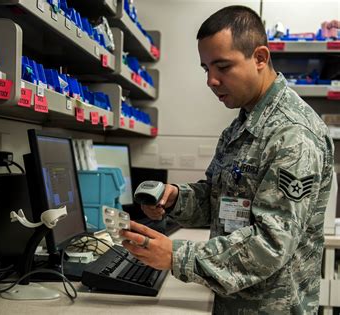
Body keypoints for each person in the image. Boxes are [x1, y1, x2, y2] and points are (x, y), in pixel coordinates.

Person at [121, 5, 334, 314]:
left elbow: (271, 245)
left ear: (260, 58)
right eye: (206, 69)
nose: (211, 80)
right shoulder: (242, 126)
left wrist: (175, 256)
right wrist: (175, 199)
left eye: (222, 67)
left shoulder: (292, 135)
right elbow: (222, 202)